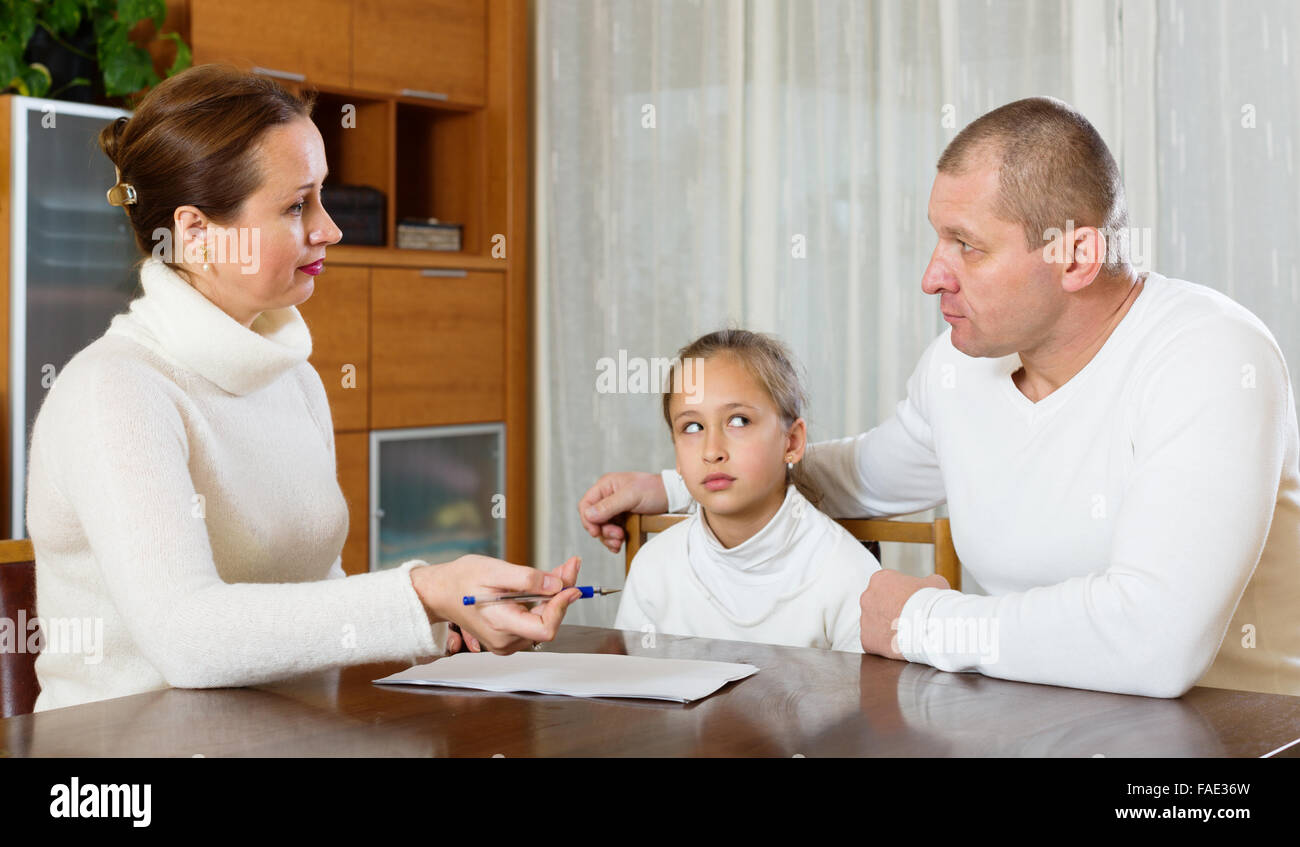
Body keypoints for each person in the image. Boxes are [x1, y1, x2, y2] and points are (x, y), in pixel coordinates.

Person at [580, 96, 1300, 699]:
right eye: (936, 240)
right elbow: (855, 475)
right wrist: (671, 485)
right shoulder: (958, 371)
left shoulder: (1210, 355)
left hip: (1229, 751)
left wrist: (917, 618)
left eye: (968, 246)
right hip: (1035, 726)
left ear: (1075, 255)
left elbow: (1156, 642)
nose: (932, 276)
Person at [27, 64, 580, 712]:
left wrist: (452, 617)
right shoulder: (113, 391)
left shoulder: (292, 378)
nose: (330, 228)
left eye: (321, 196)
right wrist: (423, 589)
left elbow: (314, 605)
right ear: (199, 232)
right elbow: (187, 638)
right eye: (296, 205)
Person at [613, 330, 877, 651]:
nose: (712, 451)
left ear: (791, 442)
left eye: (738, 421)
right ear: (677, 455)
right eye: (692, 427)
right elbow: (634, 691)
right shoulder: (654, 568)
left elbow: (860, 701)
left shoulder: (848, 574)